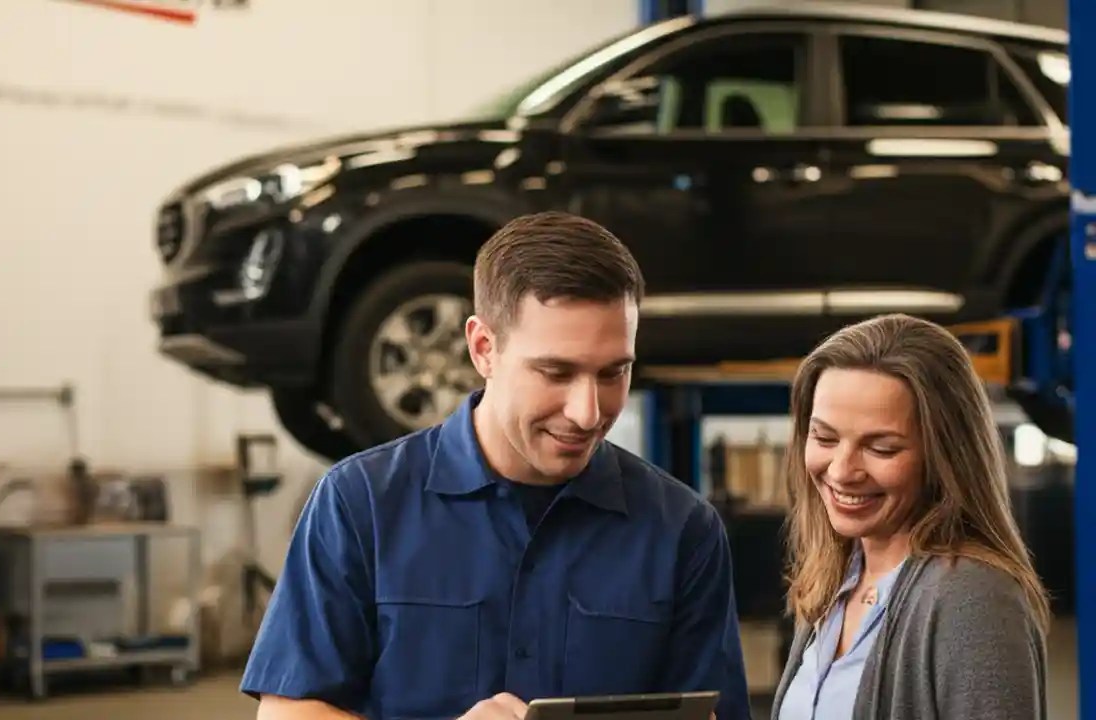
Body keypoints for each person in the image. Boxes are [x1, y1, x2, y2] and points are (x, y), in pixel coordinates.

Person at [240, 211, 750, 720]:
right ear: (484, 348)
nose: (587, 411)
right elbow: (289, 713)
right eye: (556, 371)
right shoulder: (359, 504)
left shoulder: (683, 530)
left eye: (614, 372)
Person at [770, 313, 1052, 720]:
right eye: (825, 438)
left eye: (882, 448)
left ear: (944, 458)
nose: (842, 470)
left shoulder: (972, 596)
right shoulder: (834, 584)